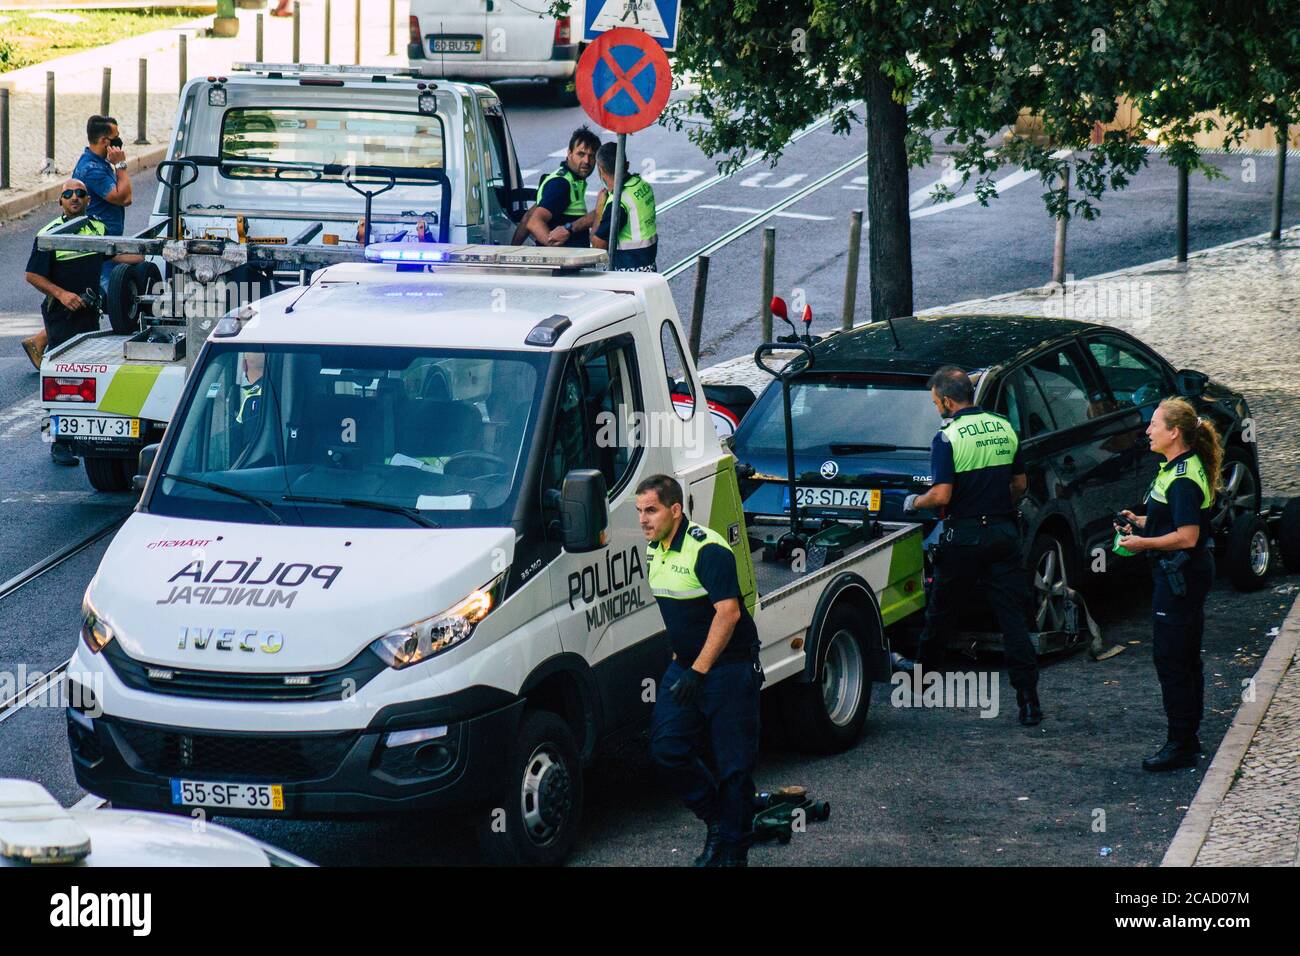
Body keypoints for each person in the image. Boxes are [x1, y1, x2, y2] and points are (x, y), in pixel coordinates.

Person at [898, 366, 1042, 726]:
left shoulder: (947, 438)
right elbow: (1020, 484)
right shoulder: (1003, 427)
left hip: (963, 538)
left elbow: (942, 494)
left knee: (941, 613)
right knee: (1013, 621)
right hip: (1003, 534)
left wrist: (914, 502)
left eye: (935, 403)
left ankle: (919, 686)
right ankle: (1028, 702)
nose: (936, 409)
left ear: (948, 401)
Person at [638, 474, 762, 867]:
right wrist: (683, 662)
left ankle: (734, 851)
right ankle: (719, 823)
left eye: (651, 510)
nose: (643, 519)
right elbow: (681, 615)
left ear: (676, 510)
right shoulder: (655, 549)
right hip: (686, 666)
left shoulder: (707, 550)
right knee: (667, 749)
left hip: (728, 668)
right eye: (639, 511)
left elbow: (728, 614)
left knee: (734, 768)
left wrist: (699, 671)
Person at [1114, 397, 1220, 772]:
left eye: (1155, 424)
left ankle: (1182, 744)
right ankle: (1187, 737)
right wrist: (1141, 522)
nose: (1147, 430)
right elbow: (1173, 521)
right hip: (1185, 575)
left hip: (1180, 577)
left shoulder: (1182, 479)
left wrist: (1143, 543)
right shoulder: (1177, 468)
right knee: (1185, 657)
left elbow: (1188, 536)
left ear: (1174, 433)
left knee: (1173, 660)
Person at [24, 179, 140, 465]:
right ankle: (56, 443)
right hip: (61, 315)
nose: (74, 198)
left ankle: (83, 434)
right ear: (60, 202)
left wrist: (144, 253)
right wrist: (62, 295)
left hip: (87, 313)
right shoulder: (48, 234)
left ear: (88, 200)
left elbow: (111, 253)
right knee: (59, 379)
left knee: (84, 376)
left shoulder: (97, 229)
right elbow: (32, 275)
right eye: (67, 194)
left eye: (80, 194)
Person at [72, 115, 133, 295]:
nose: (119, 141)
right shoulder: (92, 169)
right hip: (99, 246)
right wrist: (121, 165)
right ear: (104, 141)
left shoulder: (101, 163)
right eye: (116, 137)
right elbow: (125, 198)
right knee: (109, 298)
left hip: (108, 244)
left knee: (141, 263)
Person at [511, 126, 601, 247]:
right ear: (569, 154)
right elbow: (534, 222)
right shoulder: (561, 184)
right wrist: (555, 250)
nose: (586, 160)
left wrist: (512, 250)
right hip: (562, 264)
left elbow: (529, 216)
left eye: (592, 156)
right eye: (581, 154)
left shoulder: (570, 179)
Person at [590, 141, 658, 272]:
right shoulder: (641, 184)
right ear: (626, 165)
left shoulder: (618, 203)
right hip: (648, 266)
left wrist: (599, 209)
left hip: (628, 271)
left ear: (601, 169)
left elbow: (598, 247)